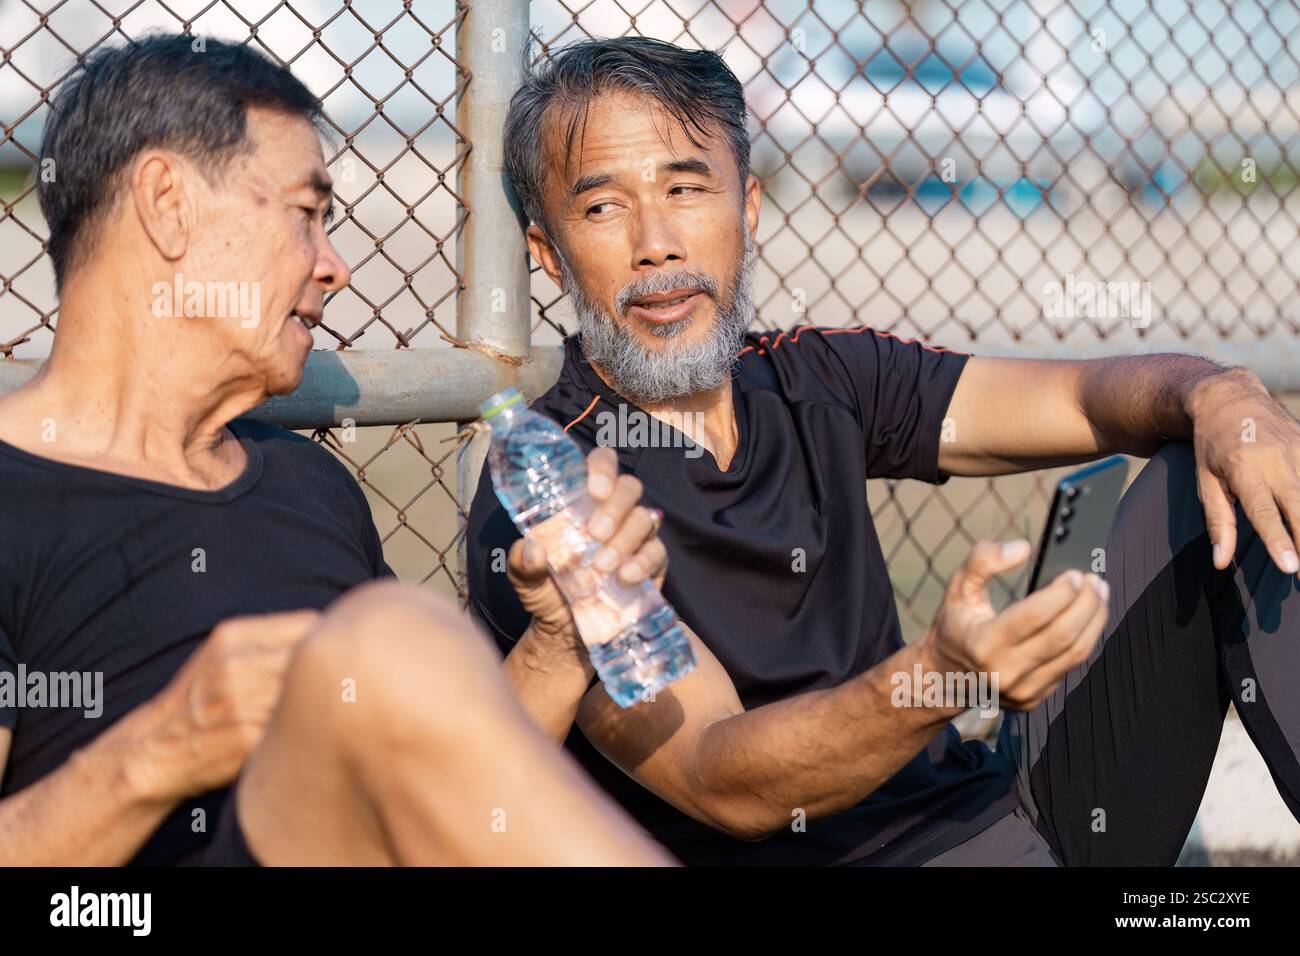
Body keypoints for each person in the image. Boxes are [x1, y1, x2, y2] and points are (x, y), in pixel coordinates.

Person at [467, 36, 1300, 866]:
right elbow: (720, 778)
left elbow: (1082, 398)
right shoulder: (554, 493)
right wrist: (936, 678)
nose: (657, 243)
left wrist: (1220, 396)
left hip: (1011, 815)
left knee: (1217, 463)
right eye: (603, 207)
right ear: (548, 252)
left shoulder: (818, 374)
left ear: (746, 208)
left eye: (687, 188)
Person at [0, 34, 671, 867]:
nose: (335, 267)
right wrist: (157, 755)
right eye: (306, 214)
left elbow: (451, 806)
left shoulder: (305, 482)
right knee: (388, 635)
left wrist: (563, 638)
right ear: (166, 204)